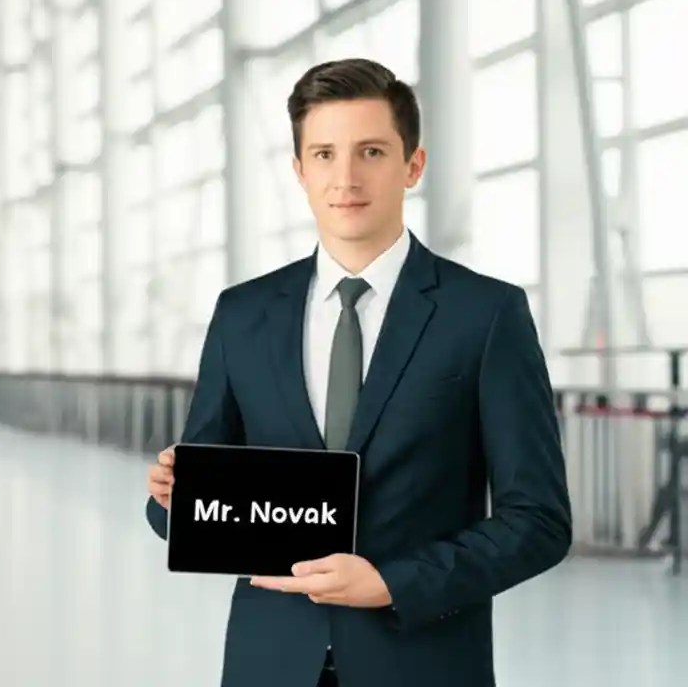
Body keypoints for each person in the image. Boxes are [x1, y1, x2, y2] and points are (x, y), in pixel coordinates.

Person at [144, 58, 571, 687]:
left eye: (371, 151)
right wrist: (172, 499)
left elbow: (538, 520)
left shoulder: (484, 315)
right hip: (271, 664)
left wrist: (392, 583)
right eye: (324, 154)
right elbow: (199, 500)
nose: (345, 177)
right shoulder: (243, 314)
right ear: (299, 171)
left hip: (421, 663)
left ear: (413, 166)